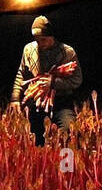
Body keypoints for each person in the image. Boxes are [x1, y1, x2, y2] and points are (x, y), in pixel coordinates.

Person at [9, 15, 82, 146]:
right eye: (37, 40)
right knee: (35, 139)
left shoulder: (67, 52)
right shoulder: (29, 50)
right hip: (36, 104)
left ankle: (67, 166)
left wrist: (53, 83)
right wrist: (15, 98)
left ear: (51, 36)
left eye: (43, 40)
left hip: (62, 103)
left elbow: (77, 80)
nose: (40, 44)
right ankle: (40, 165)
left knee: (69, 134)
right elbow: (21, 73)